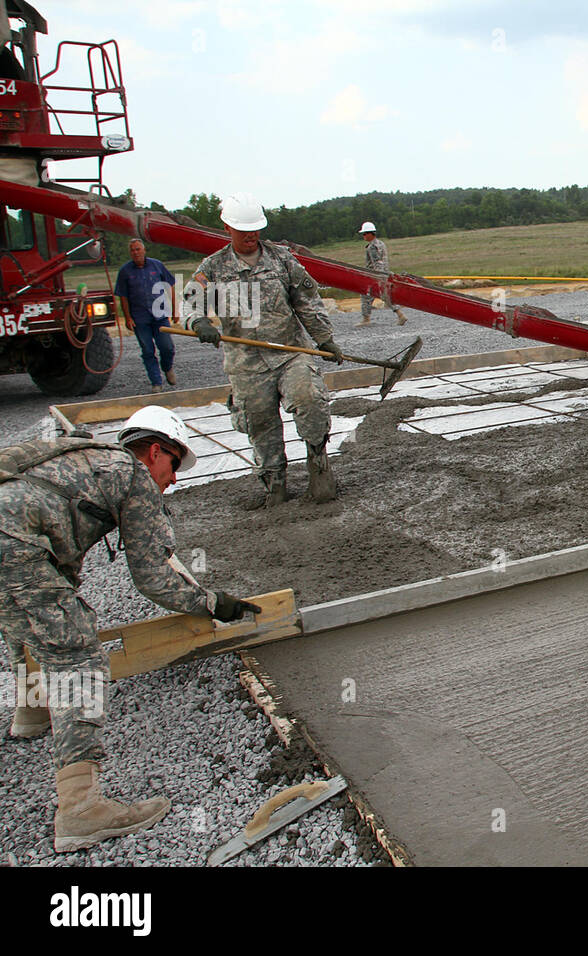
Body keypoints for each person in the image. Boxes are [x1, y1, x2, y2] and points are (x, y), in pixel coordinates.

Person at [0, 406, 259, 852]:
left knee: (32, 612)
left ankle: (31, 711)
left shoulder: (83, 459)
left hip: (14, 536)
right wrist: (214, 604)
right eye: (174, 465)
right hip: (11, 539)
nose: (173, 479)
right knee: (76, 654)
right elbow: (153, 577)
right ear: (155, 450)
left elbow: (57, 557)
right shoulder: (132, 475)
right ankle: (81, 809)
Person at [186, 193, 344, 508]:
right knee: (260, 427)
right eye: (243, 231)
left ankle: (318, 464)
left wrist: (324, 338)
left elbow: (307, 302)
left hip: (290, 352)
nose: (250, 237)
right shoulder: (213, 267)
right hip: (246, 363)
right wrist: (198, 322)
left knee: (310, 400)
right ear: (228, 228)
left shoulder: (282, 259)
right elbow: (192, 300)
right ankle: (275, 484)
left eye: (255, 230)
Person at [113, 239, 178, 394]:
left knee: (167, 347)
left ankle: (167, 367)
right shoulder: (125, 271)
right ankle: (156, 382)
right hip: (139, 318)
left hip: (160, 315)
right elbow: (123, 297)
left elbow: (170, 286)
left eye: (138, 249)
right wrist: (128, 317)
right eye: (132, 250)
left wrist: (175, 310)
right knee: (148, 350)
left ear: (144, 250)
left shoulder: (157, 265)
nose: (135, 253)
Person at [356, 222, 407, 327]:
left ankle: (366, 319)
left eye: (364, 234)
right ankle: (400, 315)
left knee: (367, 295)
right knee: (386, 296)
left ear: (370, 234)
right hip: (384, 274)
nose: (363, 236)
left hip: (375, 276)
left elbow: (377, 263)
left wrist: (377, 277)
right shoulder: (381, 243)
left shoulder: (372, 247)